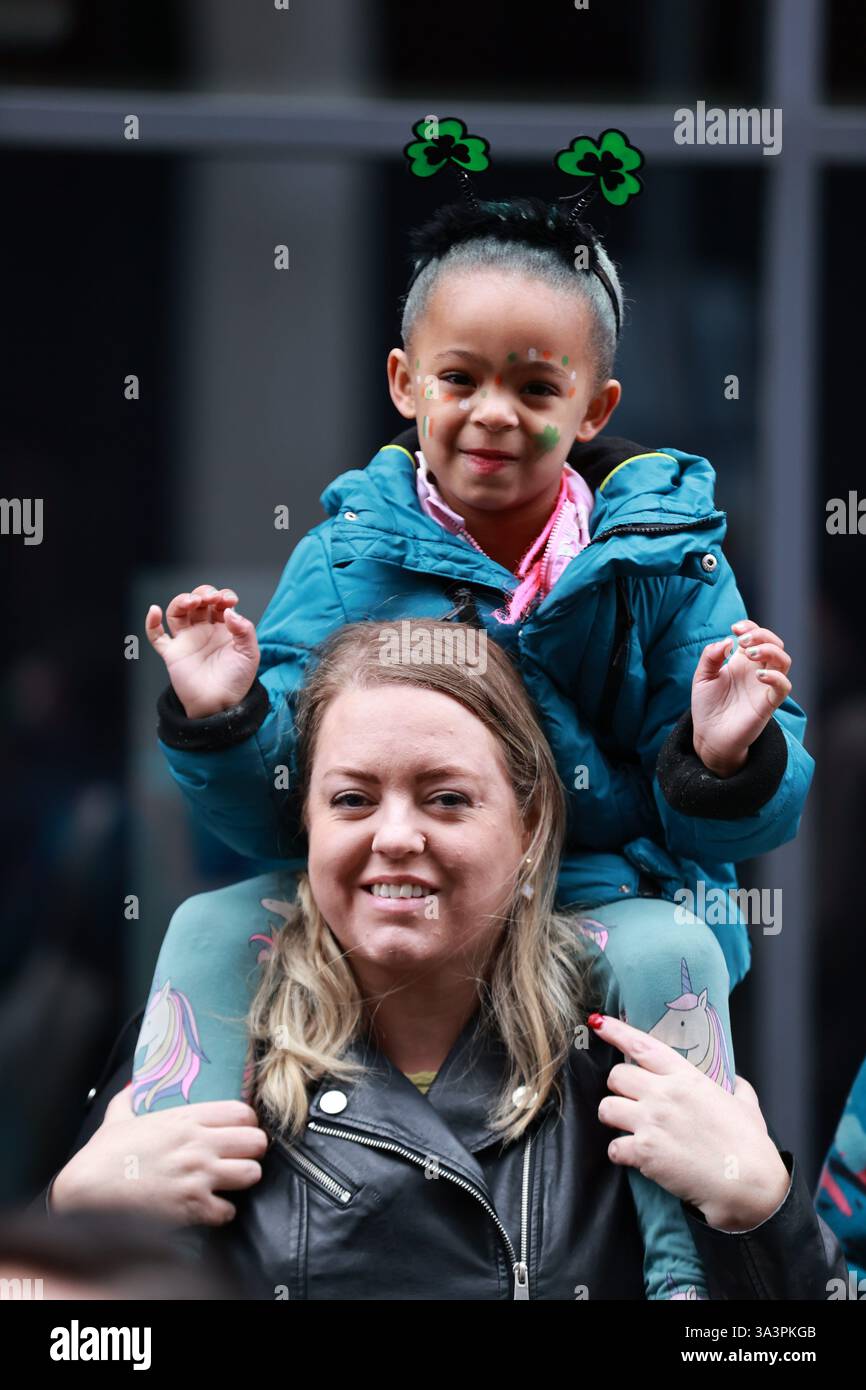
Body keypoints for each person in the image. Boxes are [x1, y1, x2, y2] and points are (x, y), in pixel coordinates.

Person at [46, 620, 841, 1300]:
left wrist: (761, 1211)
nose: (395, 836)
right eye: (352, 800)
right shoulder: (198, 1050)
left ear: (530, 829)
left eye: (447, 798)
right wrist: (70, 1226)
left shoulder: (636, 1063)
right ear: (309, 824)